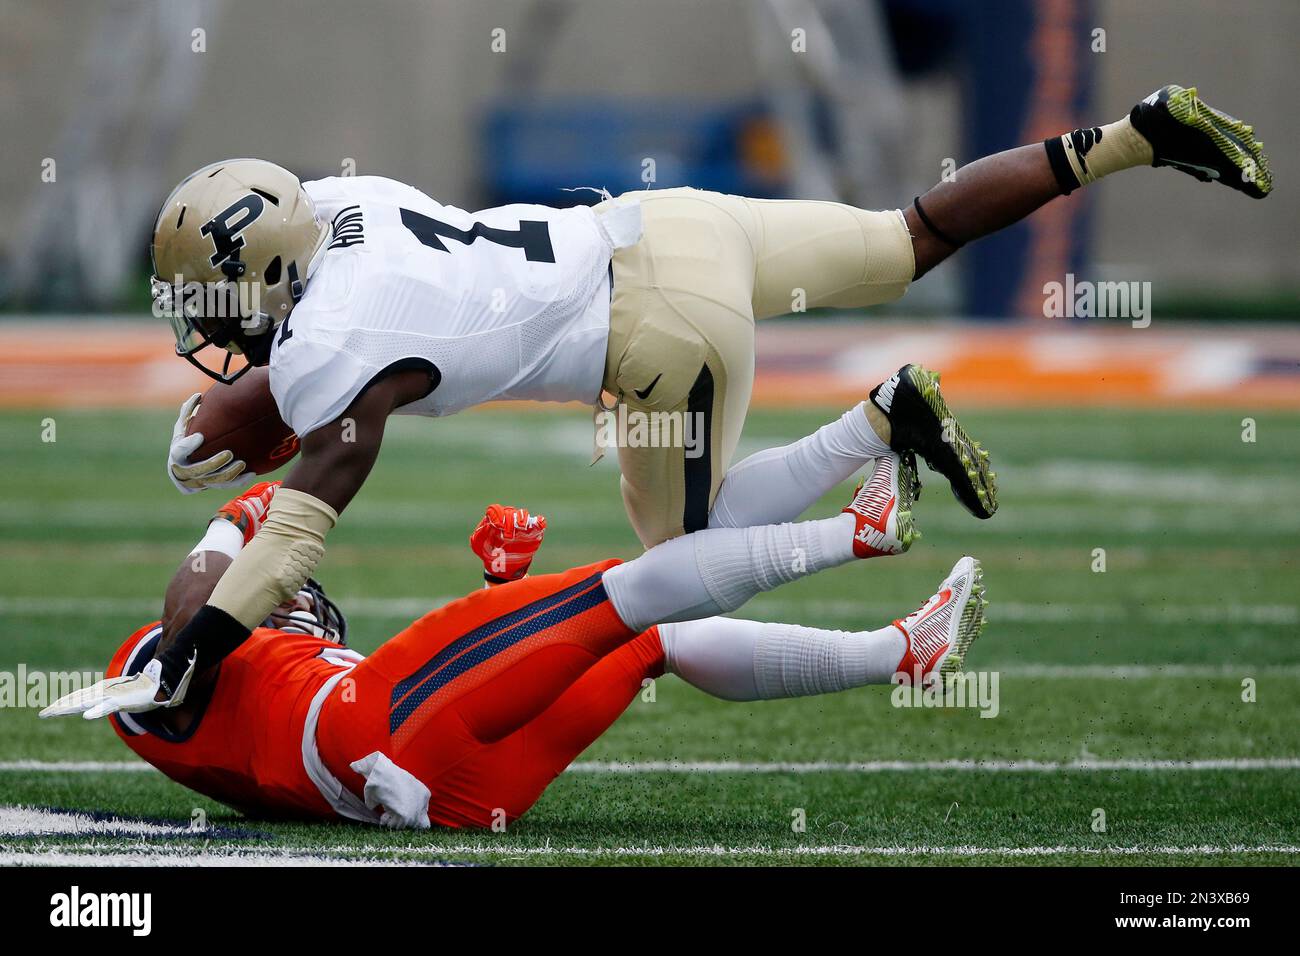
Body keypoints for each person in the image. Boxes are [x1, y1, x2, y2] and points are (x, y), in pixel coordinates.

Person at [148, 83, 1266, 705]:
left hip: (653, 330)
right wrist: (271, 406)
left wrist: (196, 648)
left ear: (269, 274)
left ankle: (872, 448)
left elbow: (298, 525)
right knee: (909, 235)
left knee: (675, 573)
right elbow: (336, 358)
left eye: (210, 302)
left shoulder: (329, 345)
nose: (206, 327)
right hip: (675, 223)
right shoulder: (340, 204)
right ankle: (1131, 135)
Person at [42, 456, 986, 828]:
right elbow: (184, 628)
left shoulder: (250, 677)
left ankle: (901, 652)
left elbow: (461, 699)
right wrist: (240, 522)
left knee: (651, 632)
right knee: (622, 590)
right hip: (368, 736)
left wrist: (500, 590)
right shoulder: (171, 660)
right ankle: (852, 538)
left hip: (450, 789)